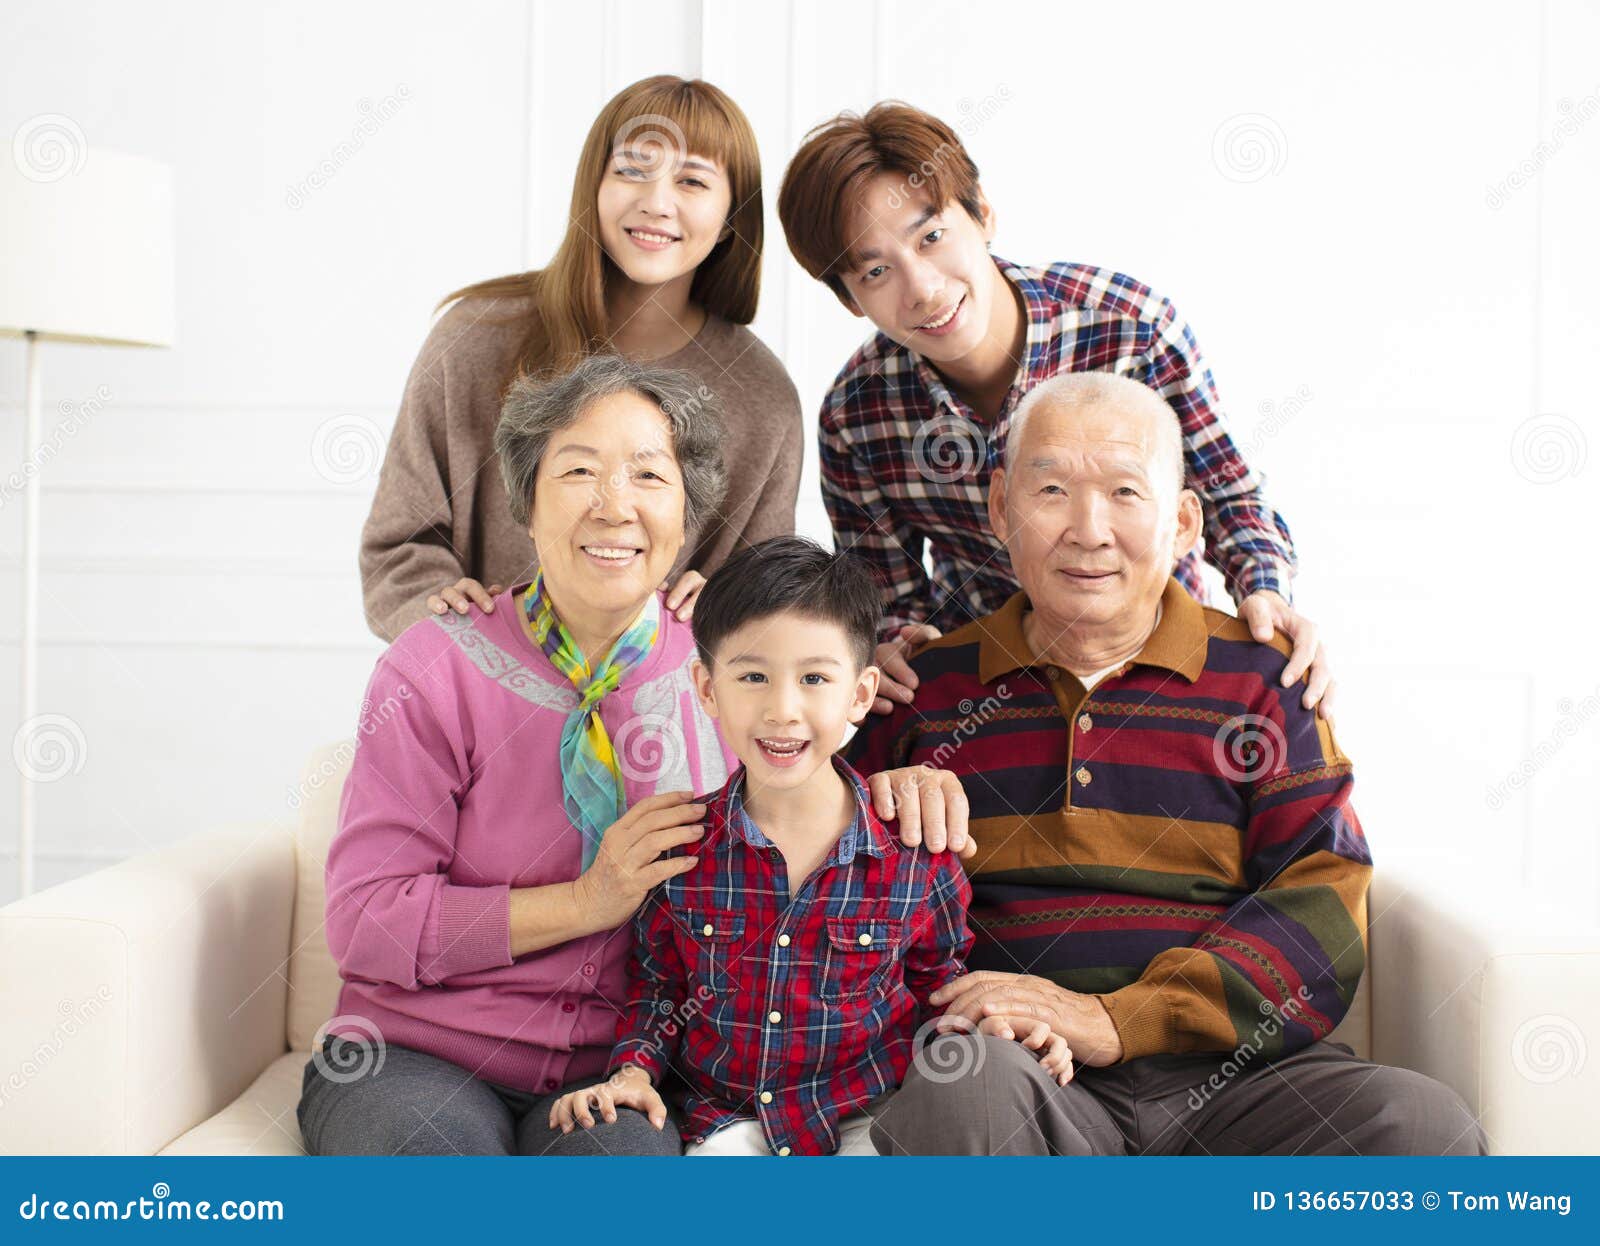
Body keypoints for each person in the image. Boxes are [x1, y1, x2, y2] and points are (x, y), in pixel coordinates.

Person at [301, 358, 973, 1155]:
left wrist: (895, 788)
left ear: (686, 511)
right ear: (527, 498)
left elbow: (809, 771)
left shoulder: (732, 671)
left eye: (649, 476)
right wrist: (587, 901)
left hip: (624, 1079)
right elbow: (365, 923)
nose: (614, 505)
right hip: (415, 1056)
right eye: (579, 470)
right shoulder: (431, 669)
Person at [846, 373, 1484, 1156]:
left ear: (1184, 523)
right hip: (1024, 1076)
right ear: (1000, 507)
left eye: (1123, 492)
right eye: (1051, 490)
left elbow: (1321, 902)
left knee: (1421, 1125)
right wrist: (868, 806)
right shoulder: (921, 691)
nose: (1088, 530)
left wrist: (1118, 1020)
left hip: (1237, 1080)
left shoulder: (1263, 680)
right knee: (960, 1086)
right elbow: (826, 904)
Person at [777, 101, 1335, 722]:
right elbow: (889, 601)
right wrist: (896, 646)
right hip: (992, 698)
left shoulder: (1131, 328)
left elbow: (1227, 496)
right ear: (850, 299)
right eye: (876, 271)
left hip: (1157, 666)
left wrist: (1264, 594)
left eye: (931, 237)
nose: (923, 288)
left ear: (983, 214)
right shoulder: (856, 415)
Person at [547, 537, 1070, 1156]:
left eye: (815, 677)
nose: (783, 710)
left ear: (859, 692)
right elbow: (660, 989)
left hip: (870, 1122)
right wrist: (633, 1071)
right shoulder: (681, 850)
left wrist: (995, 1035)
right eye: (753, 677)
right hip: (726, 1126)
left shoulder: (916, 855)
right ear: (708, 689)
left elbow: (937, 991)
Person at [360, 74, 803, 643]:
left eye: (692, 181)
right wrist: (446, 626)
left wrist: (725, 609)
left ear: (730, 221)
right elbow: (399, 544)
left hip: (661, 713)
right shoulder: (474, 337)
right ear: (592, 186)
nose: (656, 203)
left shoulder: (763, 399)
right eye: (631, 170)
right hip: (476, 702)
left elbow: (763, 607)